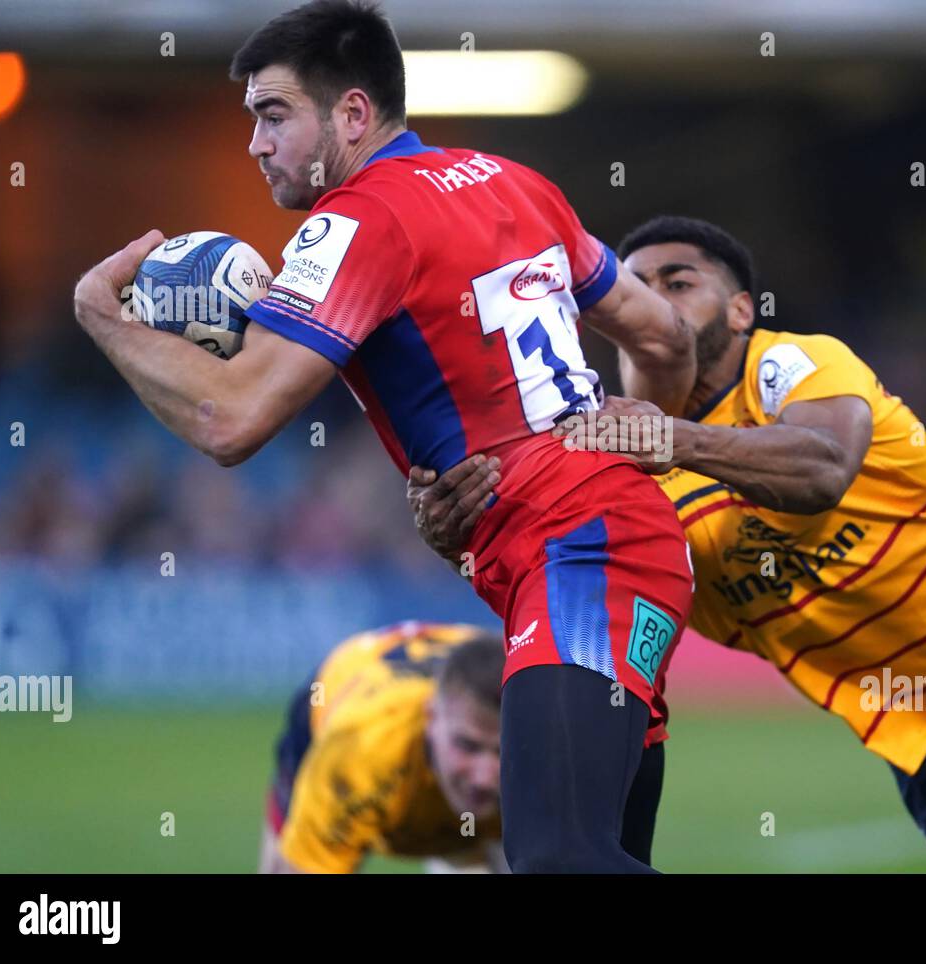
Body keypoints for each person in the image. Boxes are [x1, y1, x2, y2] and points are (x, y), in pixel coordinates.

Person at [72, 1, 696, 873]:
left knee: (553, 858)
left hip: (579, 551)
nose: (256, 143)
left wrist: (100, 317)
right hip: (601, 544)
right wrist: (644, 466)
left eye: (274, 115)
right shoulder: (514, 181)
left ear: (354, 115)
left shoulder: (355, 221)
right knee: (593, 851)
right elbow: (666, 337)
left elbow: (231, 418)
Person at [408, 215, 926, 874]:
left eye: (680, 282)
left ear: (741, 310)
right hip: (921, 733)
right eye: (636, 288)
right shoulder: (611, 474)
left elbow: (822, 469)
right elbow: (575, 600)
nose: (656, 301)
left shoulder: (788, 366)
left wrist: (671, 438)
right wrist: (464, 542)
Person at [261, 623, 506, 873]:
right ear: (430, 717)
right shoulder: (357, 757)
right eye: (467, 746)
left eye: (502, 751)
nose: (484, 778)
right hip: (344, 692)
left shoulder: (541, 750)